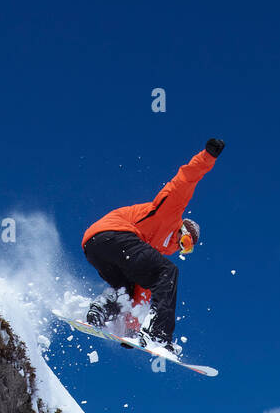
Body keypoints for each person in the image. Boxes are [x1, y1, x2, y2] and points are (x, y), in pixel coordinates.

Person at [82, 138, 225, 355]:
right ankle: (157, 336)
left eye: (187, 249)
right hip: (115, 233)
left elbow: (142, 294)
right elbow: (185, 181)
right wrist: (208, 156)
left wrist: (130, 332)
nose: (181, 248)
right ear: (182, 229)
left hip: (94, 247)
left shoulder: (150, 253)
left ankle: (100, 311)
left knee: (128, 290)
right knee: (169, 271)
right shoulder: (171, 213)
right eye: (185, 241)